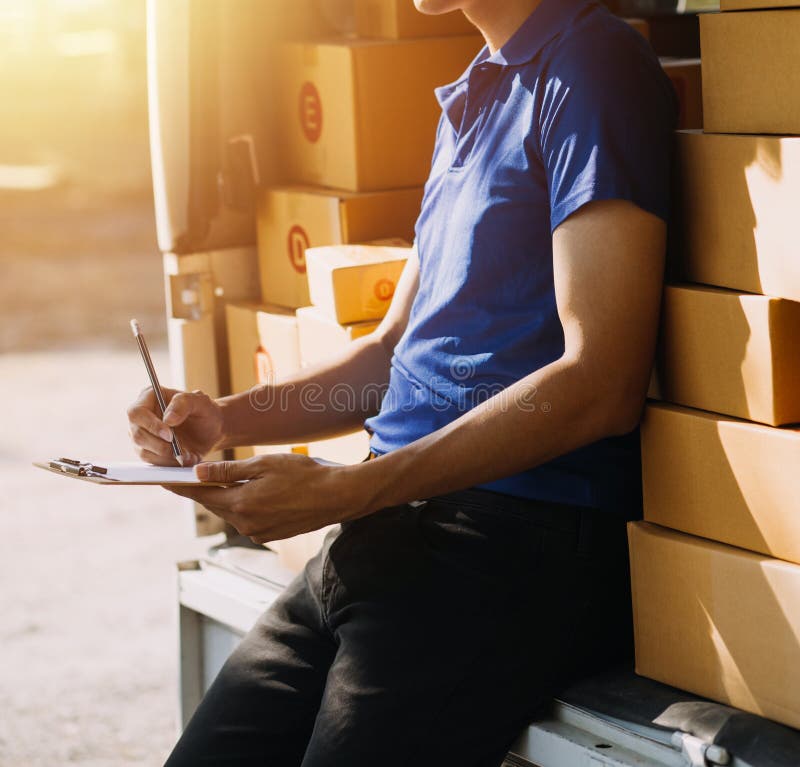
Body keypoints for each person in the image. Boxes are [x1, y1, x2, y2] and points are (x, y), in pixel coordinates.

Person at [127, 0, 676, 763]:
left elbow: (603, 380)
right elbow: (391, 354)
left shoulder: (592, 67)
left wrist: (352, 489)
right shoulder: (474, 92)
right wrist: (226, 418)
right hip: (382, 524)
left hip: (508, 544)